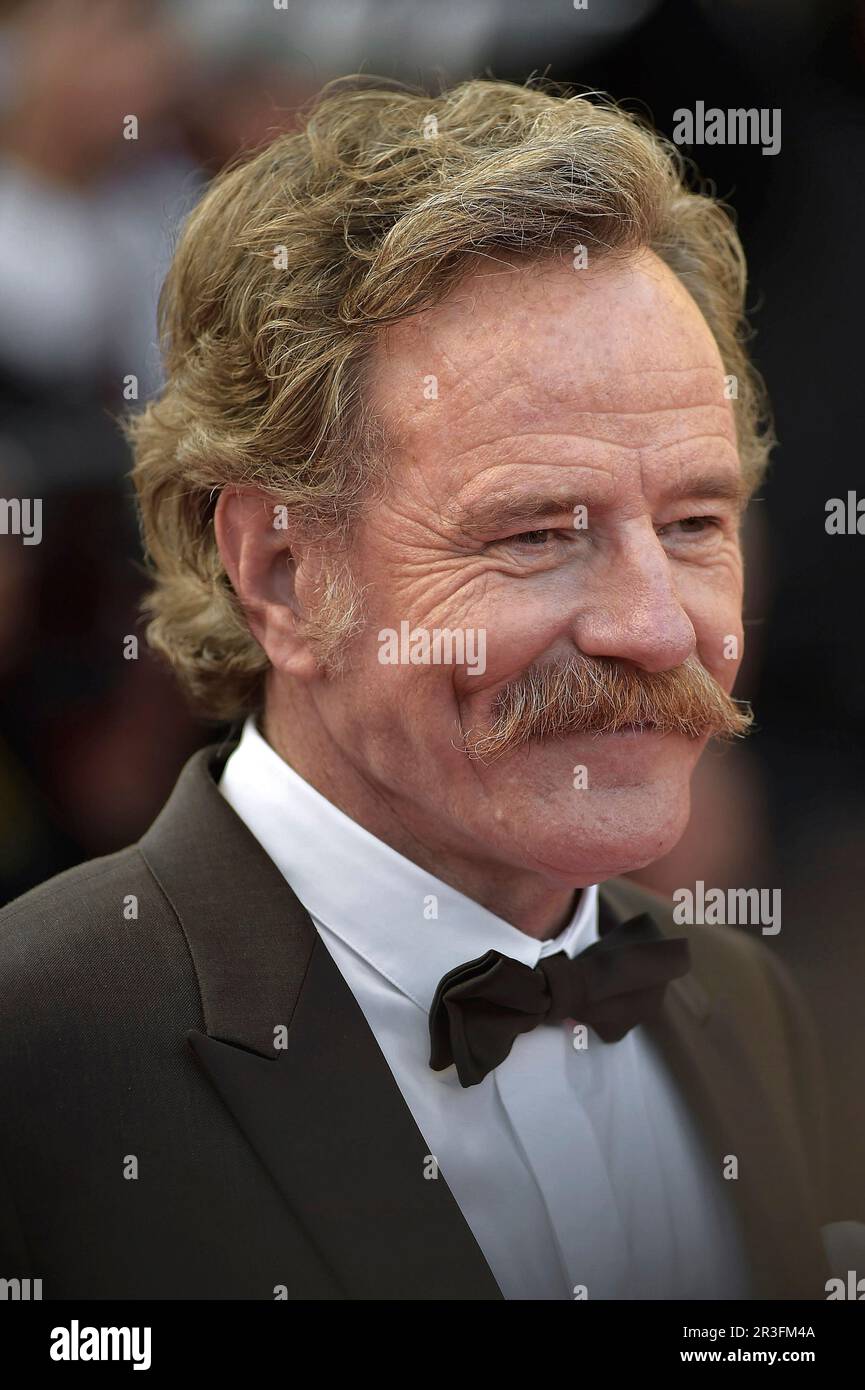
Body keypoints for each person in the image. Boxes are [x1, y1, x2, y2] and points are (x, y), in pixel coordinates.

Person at [0, 76, 832, 1300]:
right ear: (281, 574)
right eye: (537, 532)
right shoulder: (40, 1052)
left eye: (695, 521)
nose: (658, 627)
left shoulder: (744, 1008)